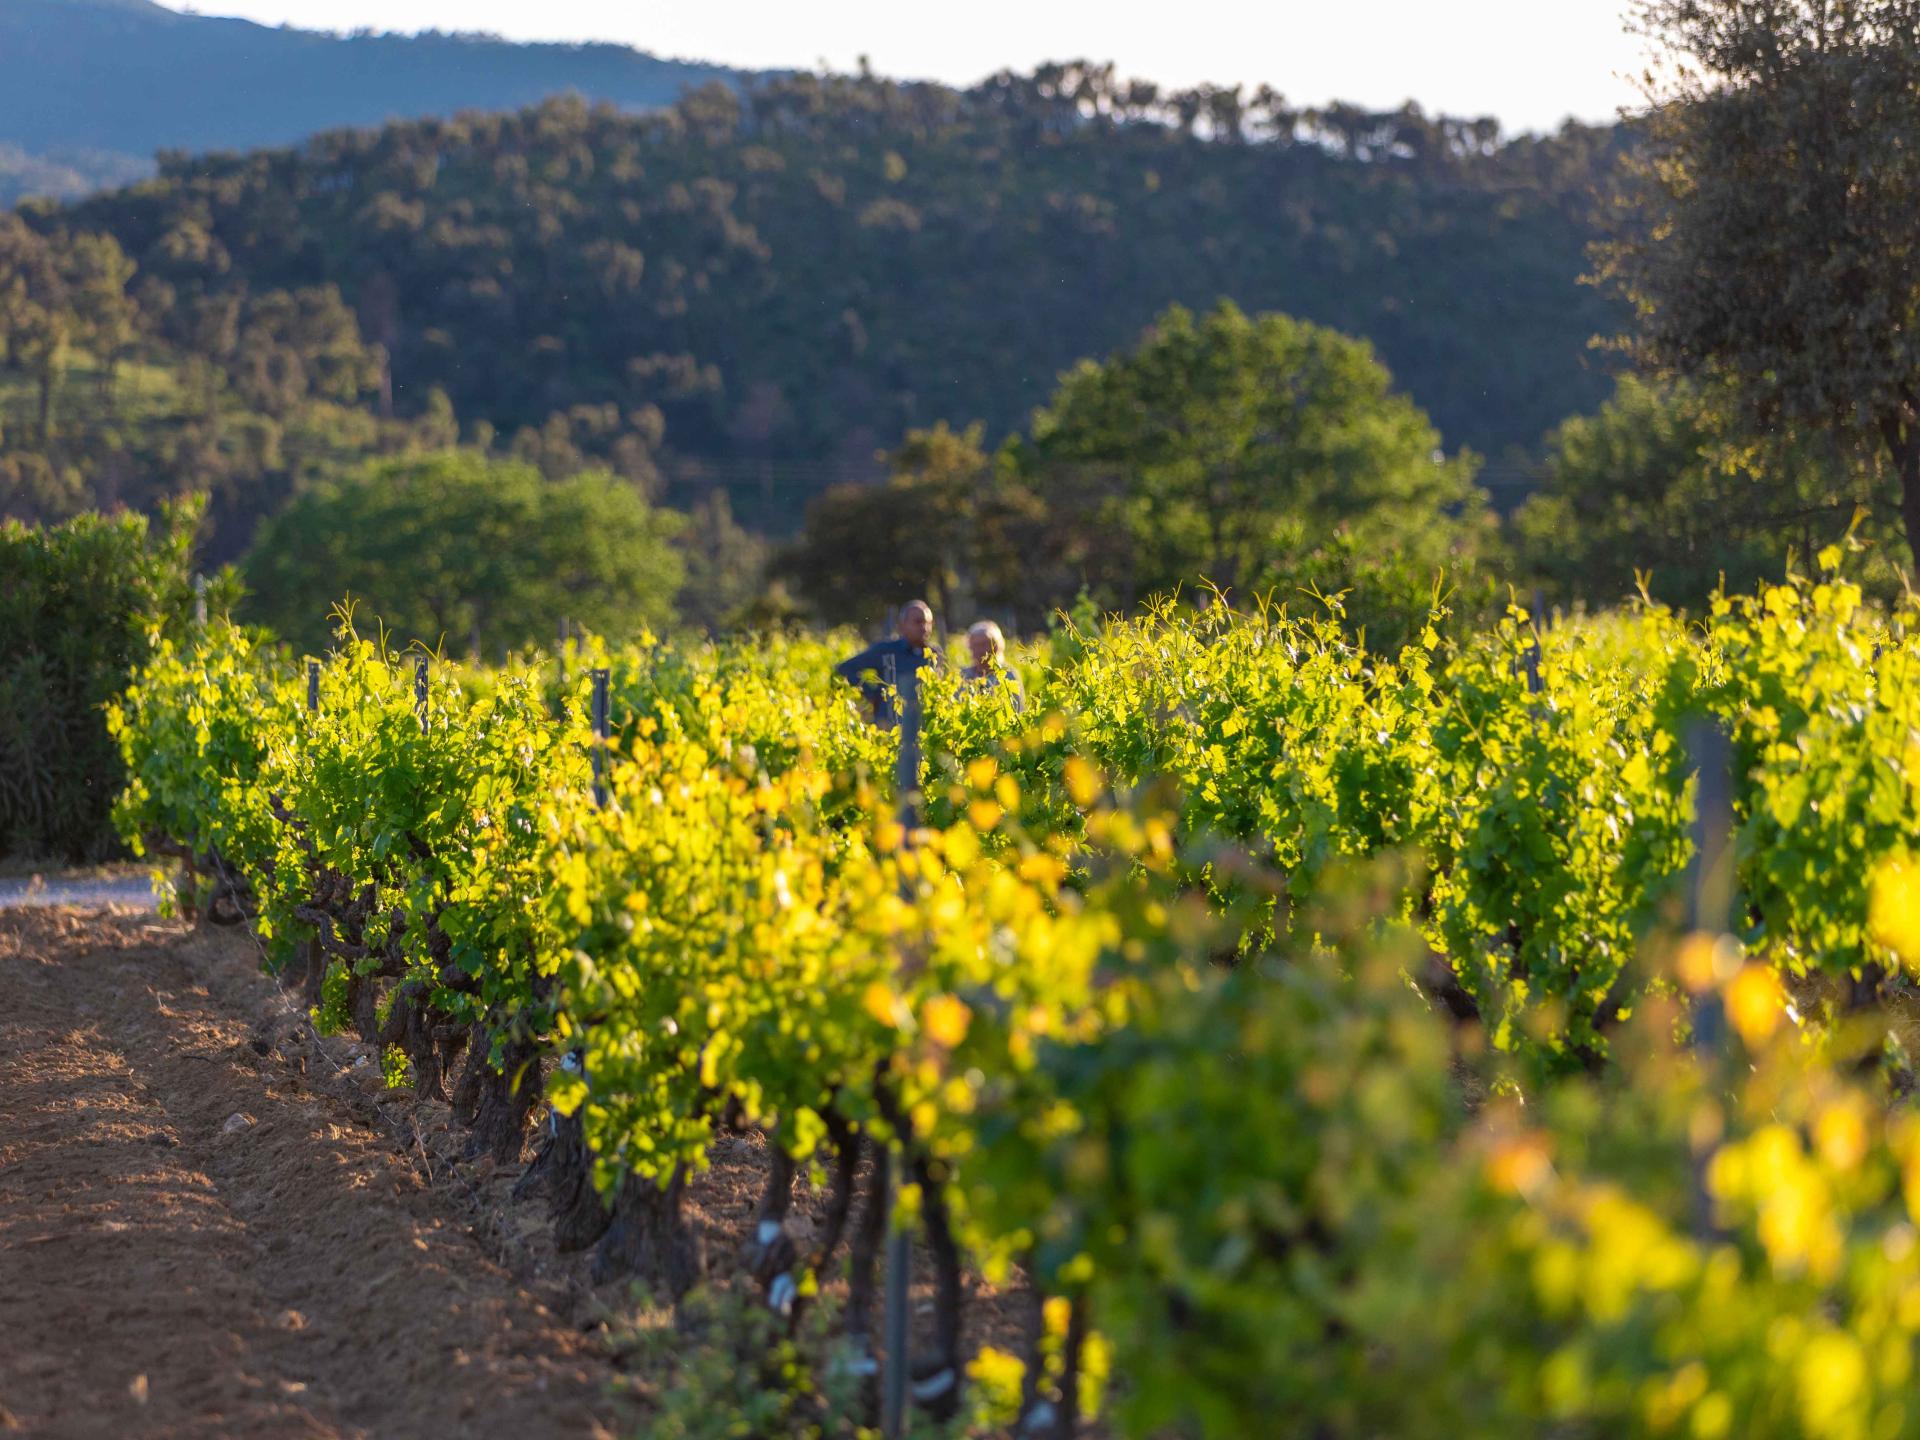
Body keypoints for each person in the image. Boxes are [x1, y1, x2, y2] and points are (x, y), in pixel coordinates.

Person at [835, 600, 940, 726]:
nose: (924, 628)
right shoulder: (886, 650)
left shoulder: (933, 654)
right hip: (888, 725)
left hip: (921, 727)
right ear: (902, 625)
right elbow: (846, 668)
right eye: (918, 622)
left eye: (928, 623)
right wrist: (873, 696)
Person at [962, 619, 1024, 711]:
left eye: (983, 645)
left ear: (996, 647)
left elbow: (1018, 711)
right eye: (975, 645)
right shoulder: (963, 676)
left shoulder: (1008, 675)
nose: (980, 650)